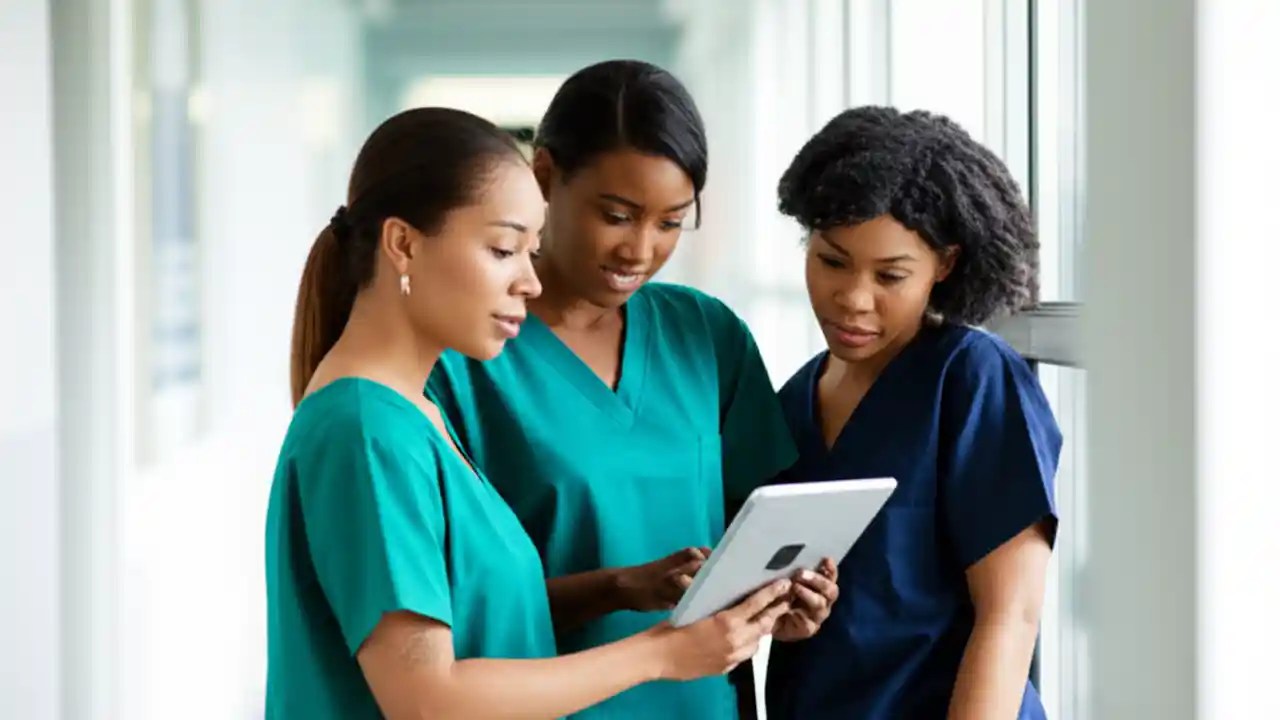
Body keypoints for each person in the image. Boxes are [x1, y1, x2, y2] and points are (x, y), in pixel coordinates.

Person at [264, 107, 796, 720]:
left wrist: (619, 588)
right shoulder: (365, 429)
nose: (530, 282)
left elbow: (477, 617)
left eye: (531, 251)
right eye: (503, 249)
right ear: (403, 244)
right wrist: (662, 653)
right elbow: (425, 699)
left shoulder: (413, 419)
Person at [426, 60, 839, 720]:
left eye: (671, 222)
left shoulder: (707, 335)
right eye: (617, 215)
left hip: (706, 706)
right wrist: (616, 588)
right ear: (545, 177)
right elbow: (450, 606)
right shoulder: (462, 358)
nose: (639, 250)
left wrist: (782, 601)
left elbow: (747, 539)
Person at [762, 106, 1062, 720]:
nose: (852, 299)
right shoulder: (793, 402)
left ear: (944, 267)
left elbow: (1012, 614)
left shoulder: (972, 378)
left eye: (891, 275)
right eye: (832, 261)